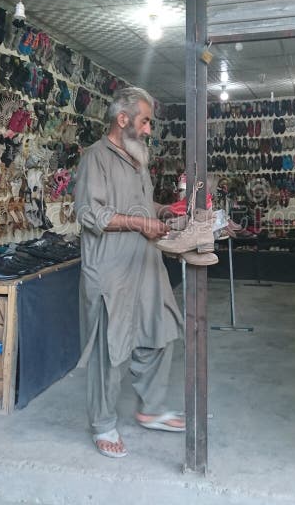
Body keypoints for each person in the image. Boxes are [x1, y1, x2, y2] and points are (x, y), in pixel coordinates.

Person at [74, 87, 185, 458]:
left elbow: (137, 204)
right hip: (111, 268)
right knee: (111, 347)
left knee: (162, 328)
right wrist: (140, 223)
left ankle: (150, 407)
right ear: (122, 120)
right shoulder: (96, 158)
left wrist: (161, 209)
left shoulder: (138, 158)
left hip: (145, 263)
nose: (150, 129)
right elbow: (93, 215)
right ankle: (103, 424)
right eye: (145, 121)